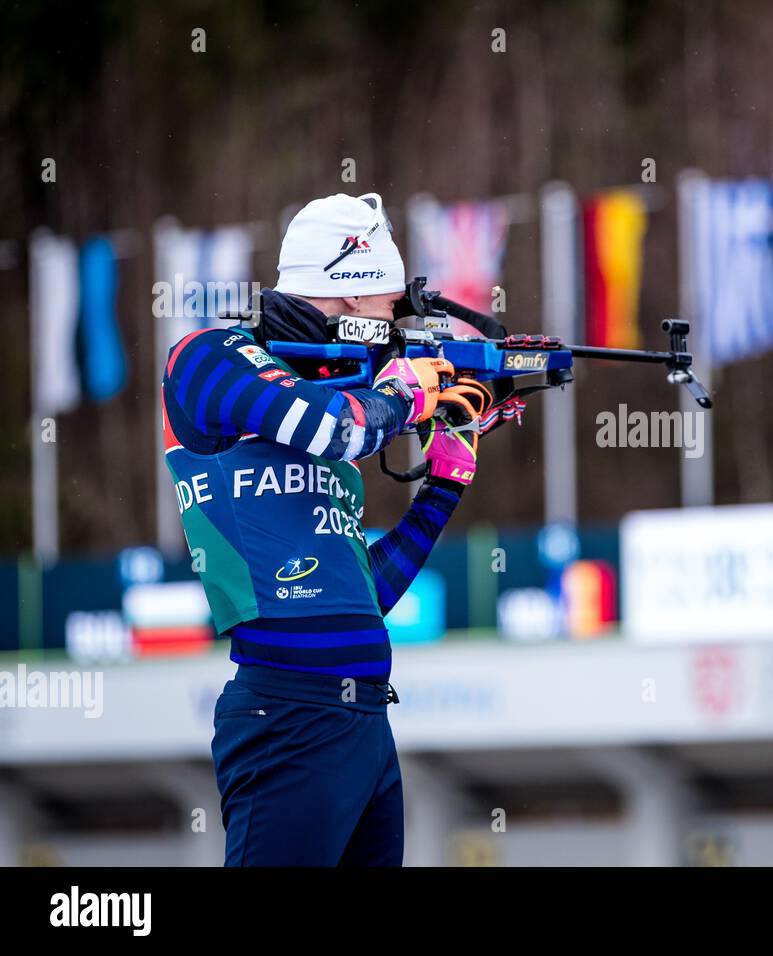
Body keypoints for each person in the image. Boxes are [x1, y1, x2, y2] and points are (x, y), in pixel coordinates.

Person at [161, 193, 513, 866]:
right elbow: (340, 427)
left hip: (363, 723)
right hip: (286, 715)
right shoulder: (209, 357)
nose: (391, 327)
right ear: (350, 296)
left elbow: (361, 600)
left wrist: (443, 484)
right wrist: (408, 393)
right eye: (388, 306)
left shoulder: (320, 399)